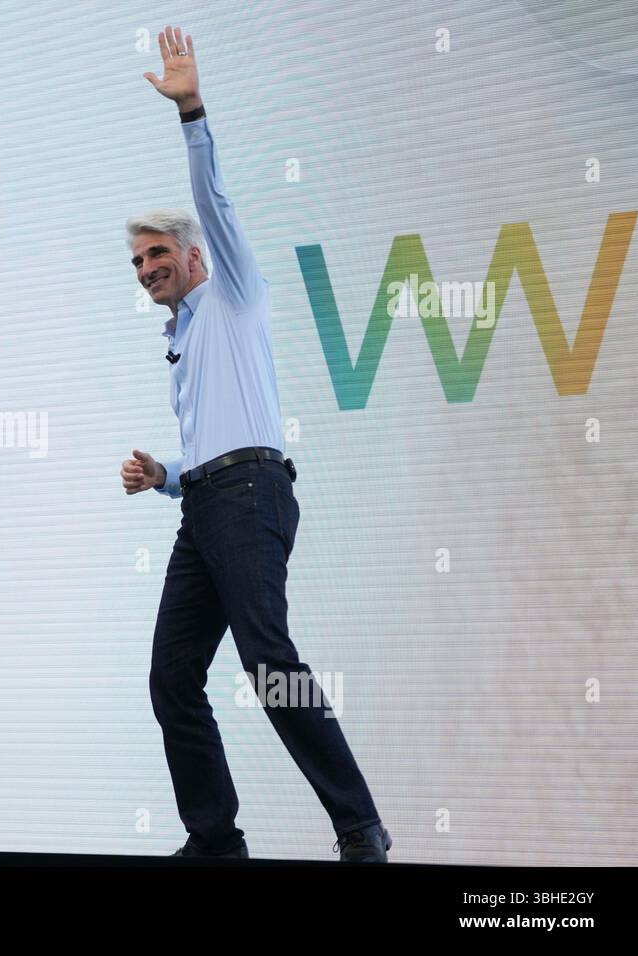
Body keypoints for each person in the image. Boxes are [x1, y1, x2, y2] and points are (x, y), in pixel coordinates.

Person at [120, 26, 391, 862]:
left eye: (157, 254)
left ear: (196, 256)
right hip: (204, 504)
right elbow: (215, 437)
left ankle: (359, 825)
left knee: (267, 660)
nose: (147, 269)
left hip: (251, 498)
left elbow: (217, 199)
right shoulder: (182, 338)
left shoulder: (235, 292)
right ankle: (214, 838)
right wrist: (165, 475)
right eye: (137, 262)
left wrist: (191, 110)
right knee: (172, 678)